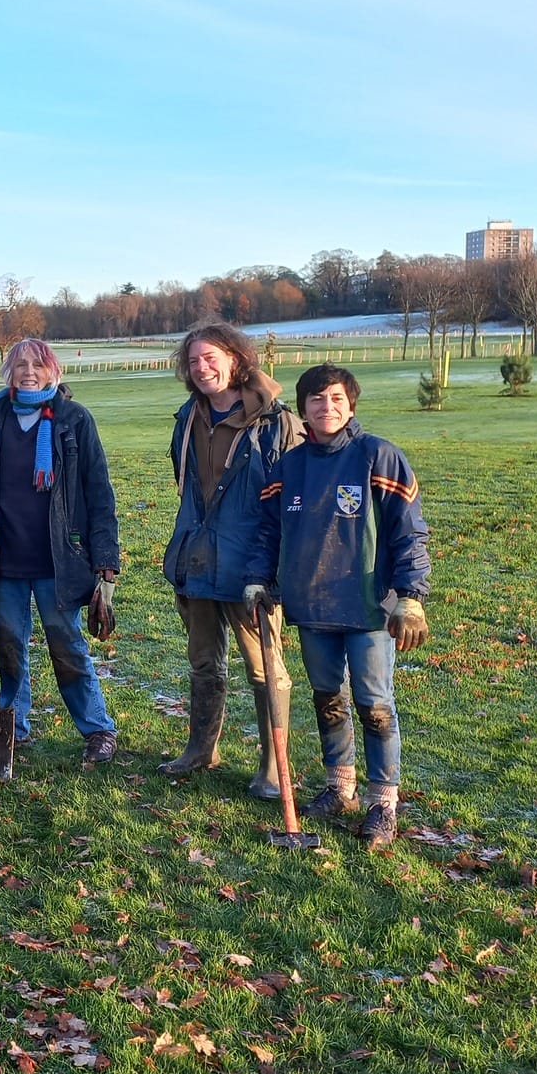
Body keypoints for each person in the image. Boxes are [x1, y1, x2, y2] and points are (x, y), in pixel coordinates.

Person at [244, 363, 431, 852]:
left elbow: (408, 532)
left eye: (336, 399)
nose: (326, 407)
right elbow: (268, 532)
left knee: (374, 706)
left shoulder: (379, 457)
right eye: (316, 400)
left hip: (370, 609)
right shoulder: (290, 467)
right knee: (327, 699)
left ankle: (383, 802)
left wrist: (410, 597)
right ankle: (340, 787)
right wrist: (258, 581)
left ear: (350, 405)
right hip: (311, 607)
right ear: (303, 408)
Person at [0, 339, 121, 767]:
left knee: (67, 645)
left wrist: (105, 563)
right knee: (9, 646)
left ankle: (98, 729)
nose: (29, 371)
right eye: (20, 364)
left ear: (52, 370)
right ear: (8, 370)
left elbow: (99, 492)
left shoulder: (74, 420)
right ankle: (14, 725)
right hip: (5, 558)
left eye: (38, 364)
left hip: (59, 560)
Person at [158, 322, 304, 793]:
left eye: (211, 357)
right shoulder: (187, 418)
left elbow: (292, 501)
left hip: (251, 567)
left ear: (236, 359)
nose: (202, 368)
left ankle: (273, 765)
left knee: (264, 668)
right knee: (203, 662)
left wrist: (275, 569)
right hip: (197, 560)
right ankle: (202, 748)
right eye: (194, 361)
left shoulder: (276, 422)